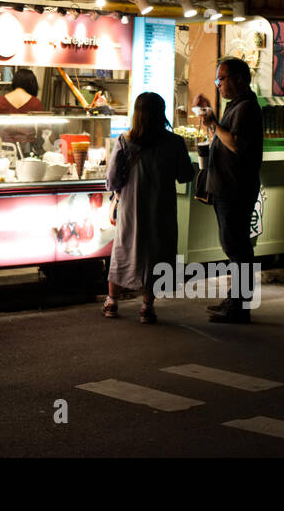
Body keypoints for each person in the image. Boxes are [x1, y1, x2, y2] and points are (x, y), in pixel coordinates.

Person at [104, 92, 193, 323]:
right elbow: (185, 175)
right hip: (161, 208)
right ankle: (147, 306)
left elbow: (113, 180)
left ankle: (112, 302)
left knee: (124, 249)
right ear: (162, 112)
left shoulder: (125, 140)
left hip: (131, 207)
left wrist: (115, 193)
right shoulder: (174, 142)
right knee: (156, 251)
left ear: (137, 113)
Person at [192, 57, 263, 322]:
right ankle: (236, 300)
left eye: (221, 79)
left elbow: (234, 143)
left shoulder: (246, 108)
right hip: (229, 187)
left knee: (237, 247)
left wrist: (213, 124)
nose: (219, 84)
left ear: (239, 79)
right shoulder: (236, 106)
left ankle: (239, 306)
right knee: (234, 245)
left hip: (236, 188)